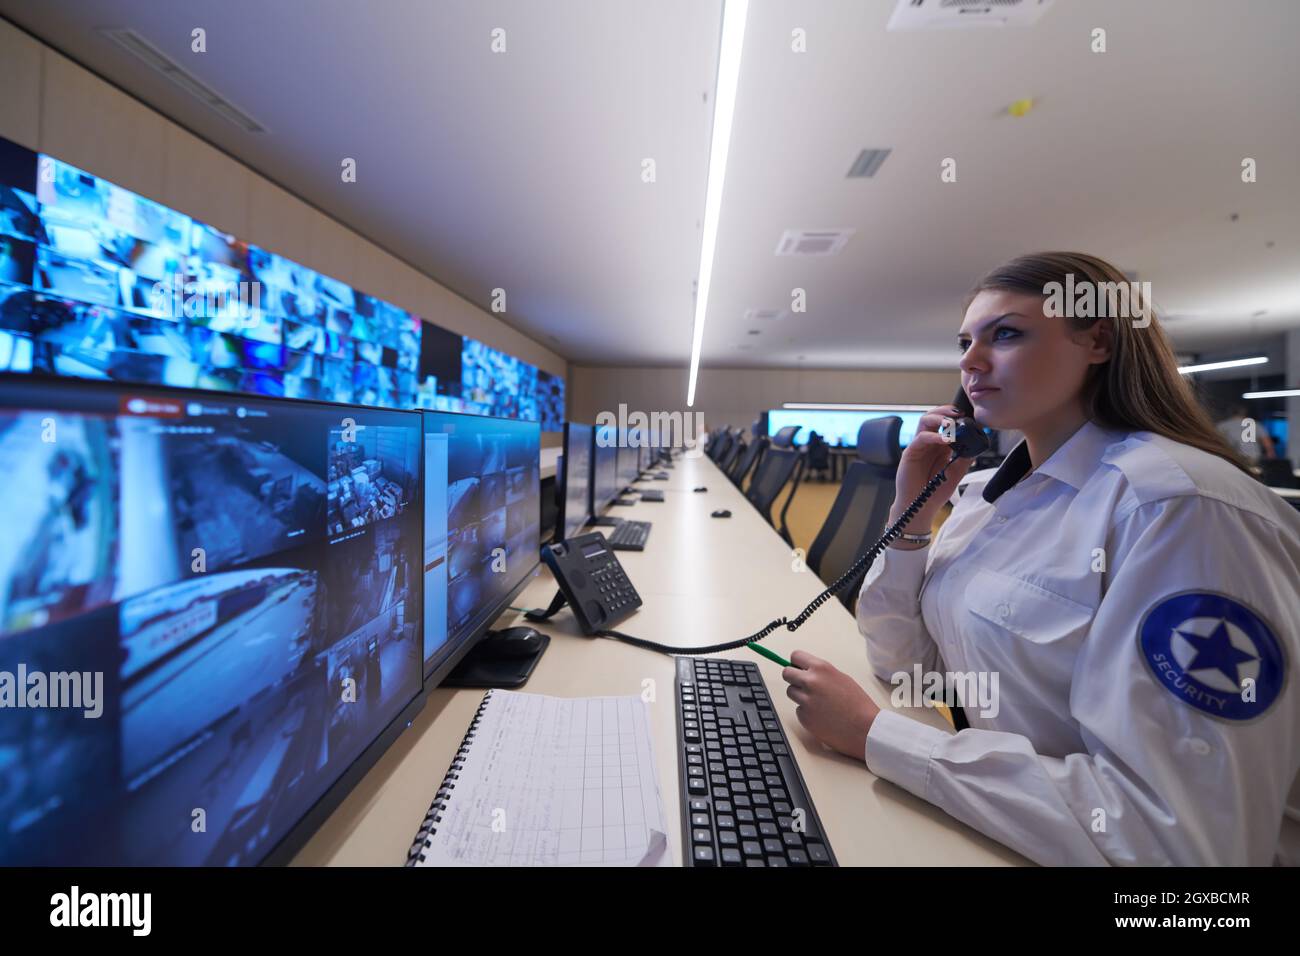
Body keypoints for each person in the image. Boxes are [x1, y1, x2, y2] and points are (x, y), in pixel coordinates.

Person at [780, 251, 1300, 865]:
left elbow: (1178, 844)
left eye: (1006, 334)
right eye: (964, 342)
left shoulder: (1179, 511)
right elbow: (902, 661)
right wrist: (914, 513)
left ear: (1098, 340)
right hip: (1020, 831)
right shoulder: (986, 494)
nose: (970, 363)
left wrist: (878, 736)